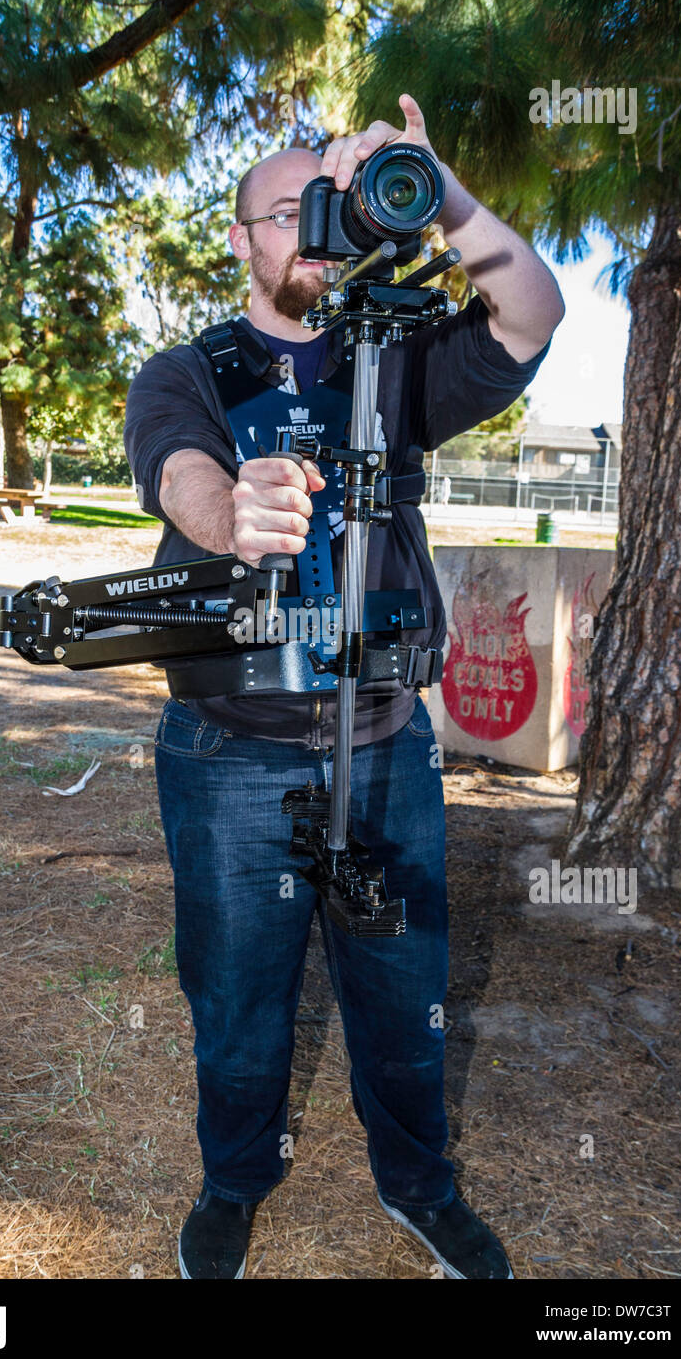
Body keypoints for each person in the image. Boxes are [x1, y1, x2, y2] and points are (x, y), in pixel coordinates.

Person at [124, 93, 564, 1280]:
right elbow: (179, 474)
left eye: (331, 210)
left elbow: (530, 314)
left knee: (400, 988)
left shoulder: (398, 356)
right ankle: (232, 1181)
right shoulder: (186, 370)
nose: (314, 235)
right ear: (240, 240)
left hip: (384, 741)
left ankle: (419, 1185)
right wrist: (235, 513)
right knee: (237, 997)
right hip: (230, 749)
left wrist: (443, 188)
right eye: (289, 212)